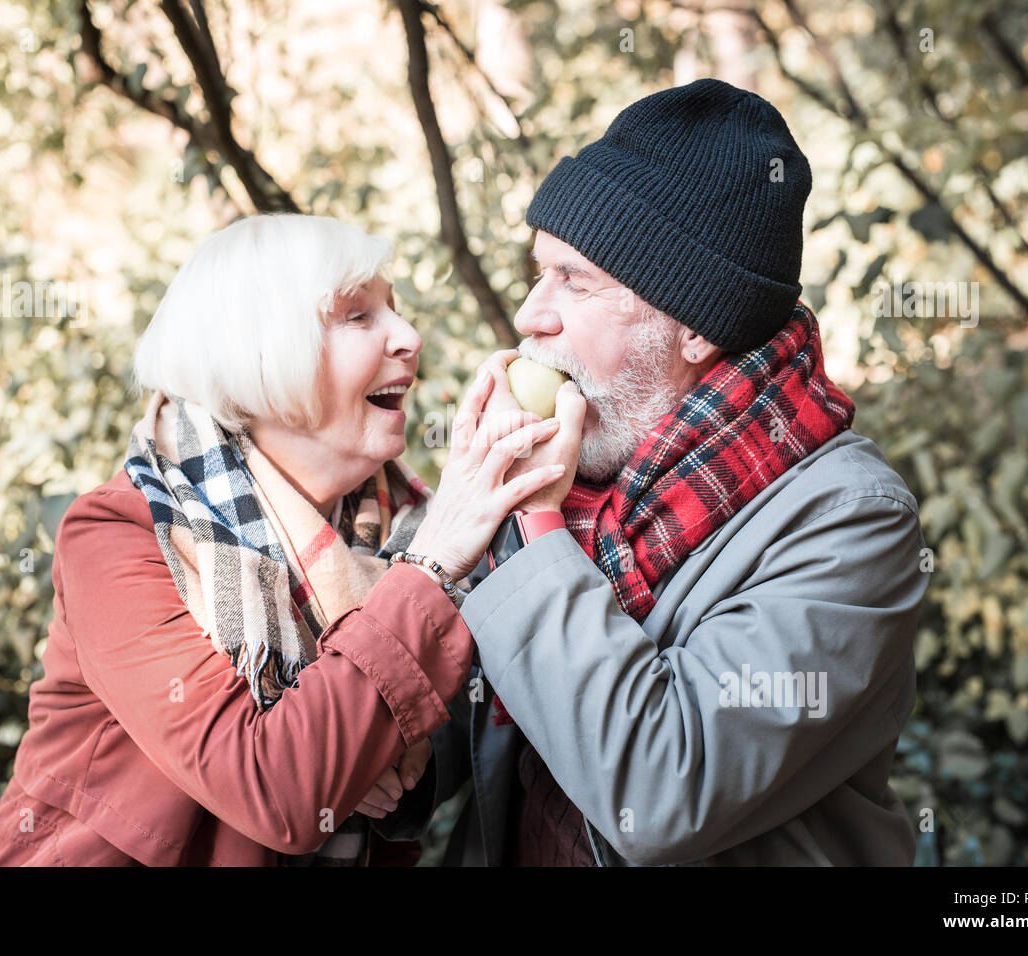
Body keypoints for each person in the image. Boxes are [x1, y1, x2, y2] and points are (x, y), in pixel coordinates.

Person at [394, 79, 929, 866]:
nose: (530, 315)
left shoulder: (851, 520)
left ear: (693, 328)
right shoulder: (579, 475)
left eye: (575, 280)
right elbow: (465, 741)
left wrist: (538, 526)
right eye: (539, 272)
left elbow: (663, 792)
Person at [0, 213, 567, 866]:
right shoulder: (121, 536)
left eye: (394, 309)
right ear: (259, 354)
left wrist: (389, 757)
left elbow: (445, 731)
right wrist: (429, 567)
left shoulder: (397, 519)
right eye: (357, 316)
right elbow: (274, 789)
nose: (408, 336)